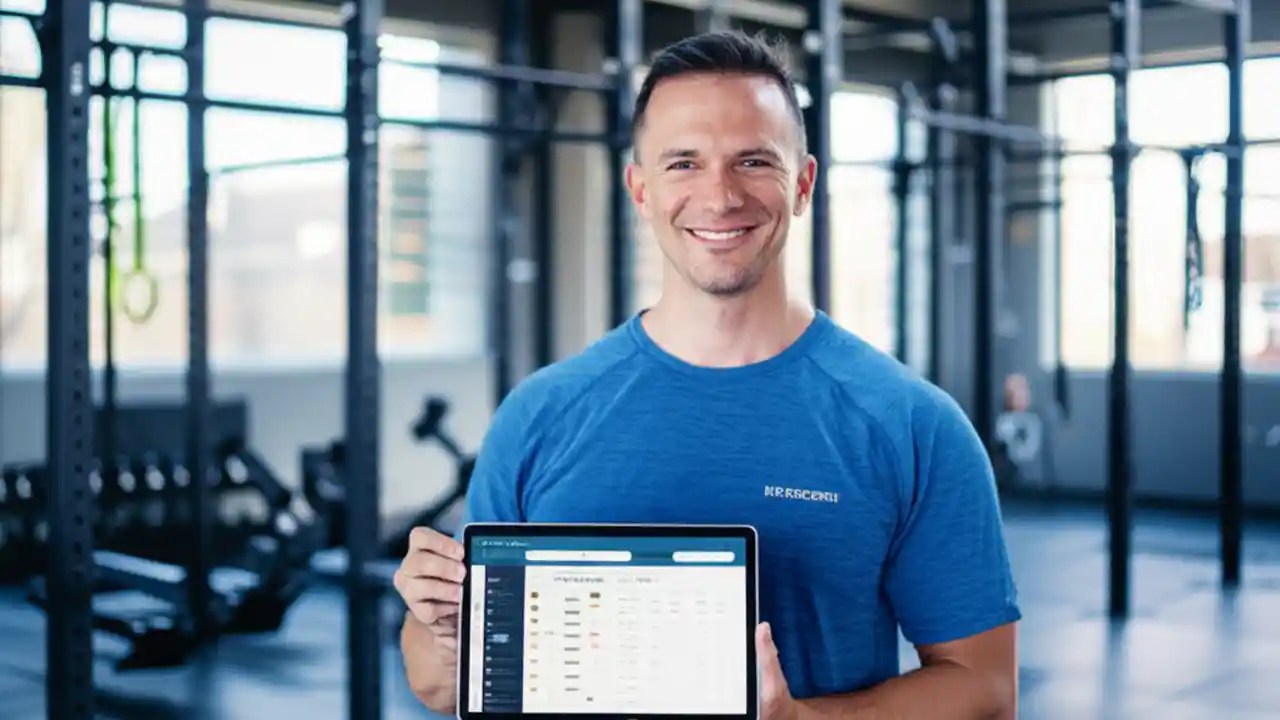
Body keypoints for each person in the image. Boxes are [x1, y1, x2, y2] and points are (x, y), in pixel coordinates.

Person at [394, 30, 1021, 720]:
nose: (719, 196)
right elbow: (442, 685)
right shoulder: (541, 413)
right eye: (684, 163)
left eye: (753, 160)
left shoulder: (911, 426)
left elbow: (983, 687)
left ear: (804, 183)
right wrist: (440, 626)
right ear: (640, 188)